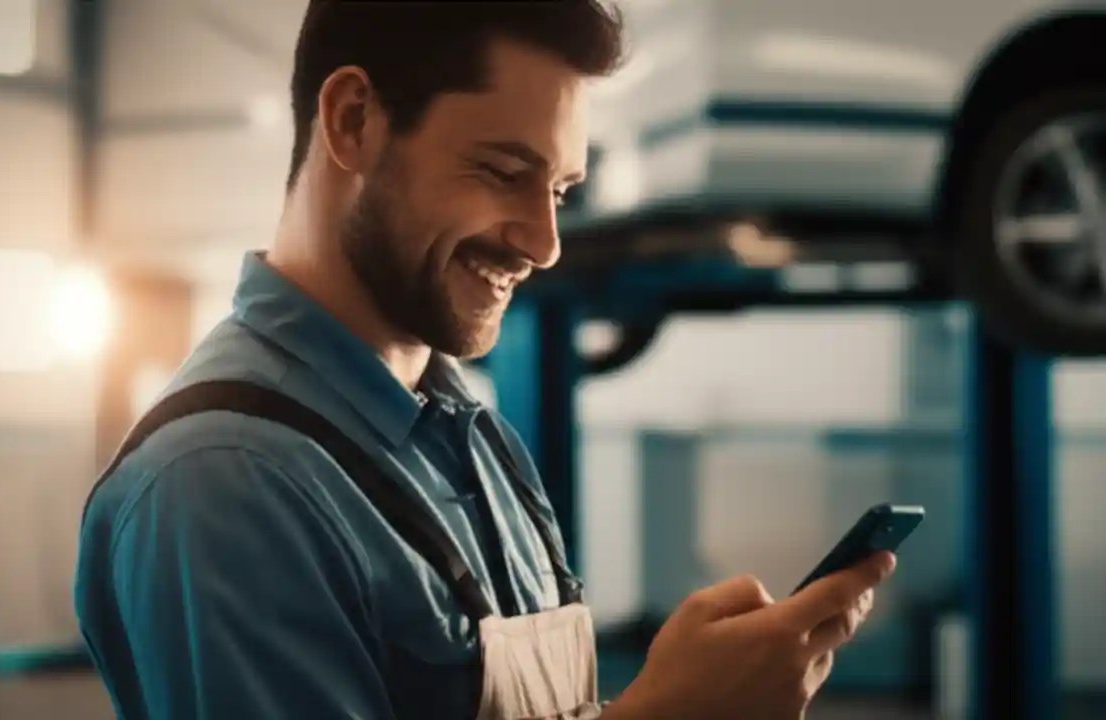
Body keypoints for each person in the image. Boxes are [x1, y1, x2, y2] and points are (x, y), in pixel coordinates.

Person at [74, 1, 897, 718]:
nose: (545, 243)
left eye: (562, 190)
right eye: (504, 172)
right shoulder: (229, 481)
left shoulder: (472, 436)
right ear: (354, 120)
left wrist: (702, 691)